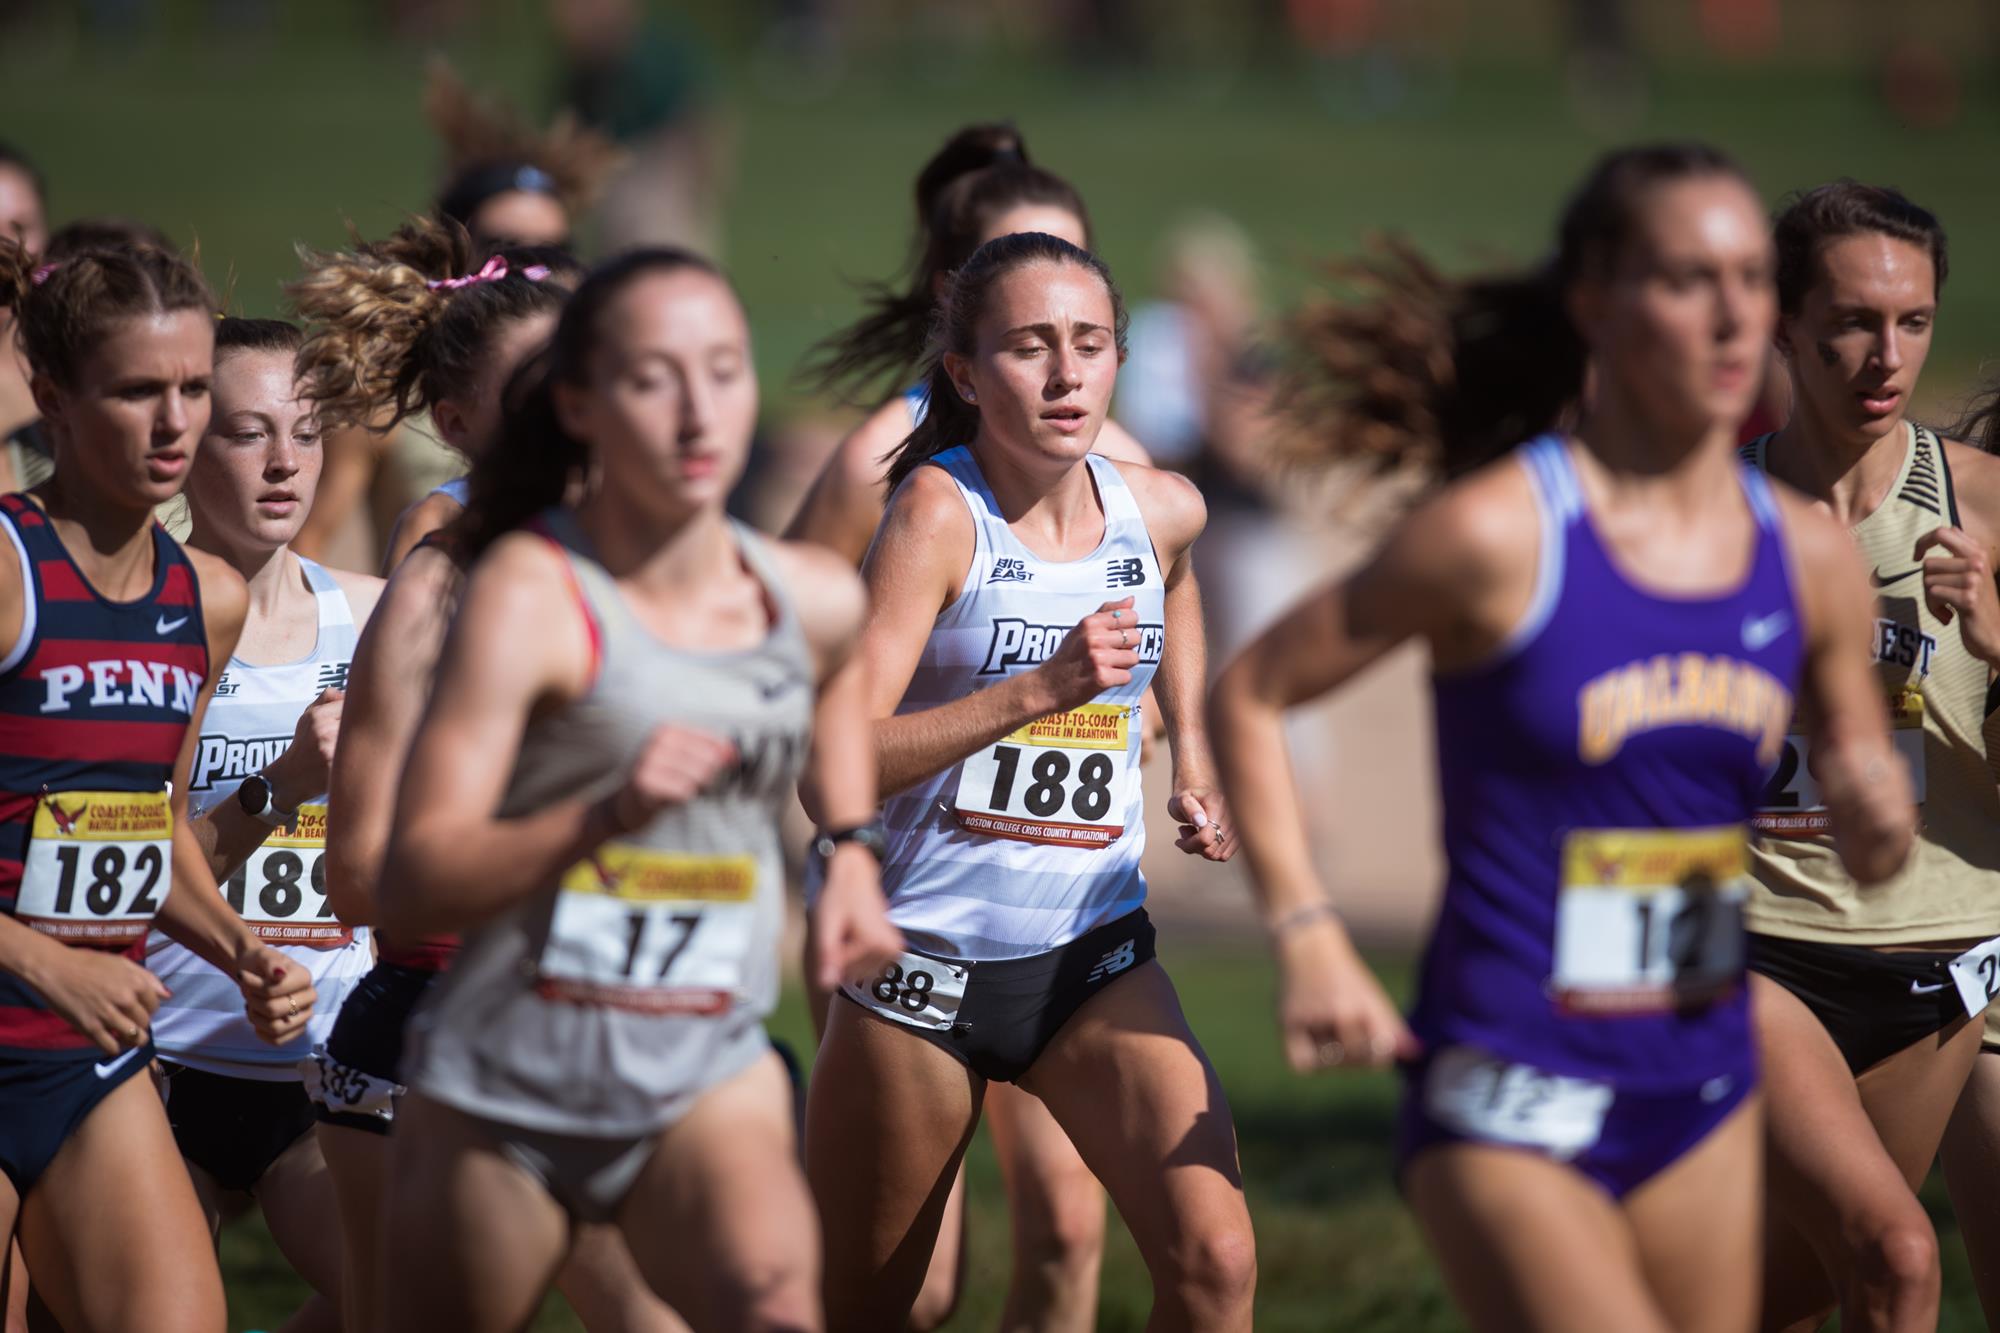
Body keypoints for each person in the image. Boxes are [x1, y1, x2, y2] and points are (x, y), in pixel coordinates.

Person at [1209, 144, 1917, 1333]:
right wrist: (1308, 931)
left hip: (1695, 1082)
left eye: (1749, 279)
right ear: (1594, 299)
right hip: (1507, 1085)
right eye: (1687, 278)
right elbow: (1250, 689)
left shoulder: (1802, 556)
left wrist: (1873, 810)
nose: (1731, 315)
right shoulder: (1498, 535)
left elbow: (1862, 794)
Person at [373, 247, 901, 1333]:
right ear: (579, 404)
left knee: (774, 1307)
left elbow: (841, 674)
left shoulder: (805, 597)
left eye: (724, 370)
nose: (698, 412)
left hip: (702, 1073)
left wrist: (848, 847)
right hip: (505, 1091)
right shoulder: (524, 593)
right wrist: (603, 817)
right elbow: (413, 881)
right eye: (654, 378)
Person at [806, 231, 1255, 1333]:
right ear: (965, 374)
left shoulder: (1161, 507)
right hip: (920, 978)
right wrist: (1039, 690)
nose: (1065, 375)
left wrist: (1192, 751)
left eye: (1089, 345)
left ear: (1119, 361)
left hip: (1088, 962)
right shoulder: (935, 515)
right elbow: (833, 768)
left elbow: (1175, 575)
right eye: (1029, 347)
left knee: (1215, 1264)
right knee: (877, 1310)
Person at [292, 227, 679, 1333]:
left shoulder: (655, 566)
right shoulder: (435, 587)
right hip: (443, 1033)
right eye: (533, 394)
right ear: (456, 426)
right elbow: (357, 877)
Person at [789, 124, 1138, 1330]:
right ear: (959, 307)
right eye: (1024, 312)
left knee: (1069, 1226)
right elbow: (779, 637)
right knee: (913, 1284)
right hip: (902, 892)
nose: (1061, 350)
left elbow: (1168, 578)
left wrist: (1168, 728)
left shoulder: (1120, 463)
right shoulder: (881, 467)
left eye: (1083, 313)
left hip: (1056, 906)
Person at [0, 238, 316, 1333]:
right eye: (138, 391)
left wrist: (241, 948)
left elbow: (152, 828)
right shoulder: (8, 571)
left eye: (191, 388)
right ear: (52, 397)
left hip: (90, 1058)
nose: (174, 422)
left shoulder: (205, 598)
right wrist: (42, 959)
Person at [1736, 181, 2000, 1333]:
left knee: (1835, 1290)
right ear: (1780, 323)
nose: (1884, 356)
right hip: (1754, 948)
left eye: (1912, 321)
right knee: (1891, 1254)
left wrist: (1995, 639)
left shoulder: (1983, 508)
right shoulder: (1702, 510)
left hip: (1939, 961)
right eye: (1849, 321)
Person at [144, 317, 383, 1333]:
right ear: (186, 440)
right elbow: (140, 866)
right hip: (157, 1059)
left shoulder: (377, 619)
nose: (285, 462)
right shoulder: (141, 623)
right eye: (248, 434)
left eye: (307, 432)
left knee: (409, 1304)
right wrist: (282, 782)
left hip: (322, 1068)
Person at [284, 217, 578, 576]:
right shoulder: (437, 534)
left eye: (573, 373)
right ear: (454, 423)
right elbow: (312, 540)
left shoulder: (615, 503)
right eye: (526, 390)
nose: (558, 400)